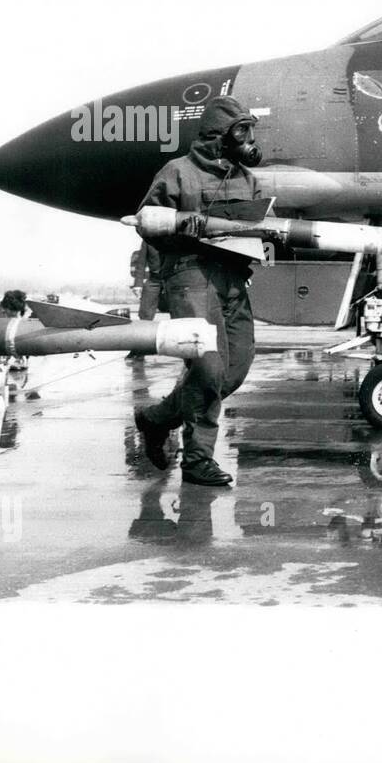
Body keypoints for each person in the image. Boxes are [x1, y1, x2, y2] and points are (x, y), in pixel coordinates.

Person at [132, 95, 263, 487]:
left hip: (232, 278)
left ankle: (156, 419)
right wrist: (181, 231)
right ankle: (197, 460)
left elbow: (260, 226)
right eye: (242, 131)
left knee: (235, 369)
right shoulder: (177, 172)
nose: (249, 139)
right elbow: (148, 222)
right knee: (208, 368)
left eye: (251, 130)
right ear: (218, 135)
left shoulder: (247, 179)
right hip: (191, 274)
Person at [126, 242, 164, 359]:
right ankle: (139, 350)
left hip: (174, 278)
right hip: (154, 279)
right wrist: (138, 284)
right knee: (145, 313)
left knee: (181, 311)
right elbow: (141, 263)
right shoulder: (148, 240)